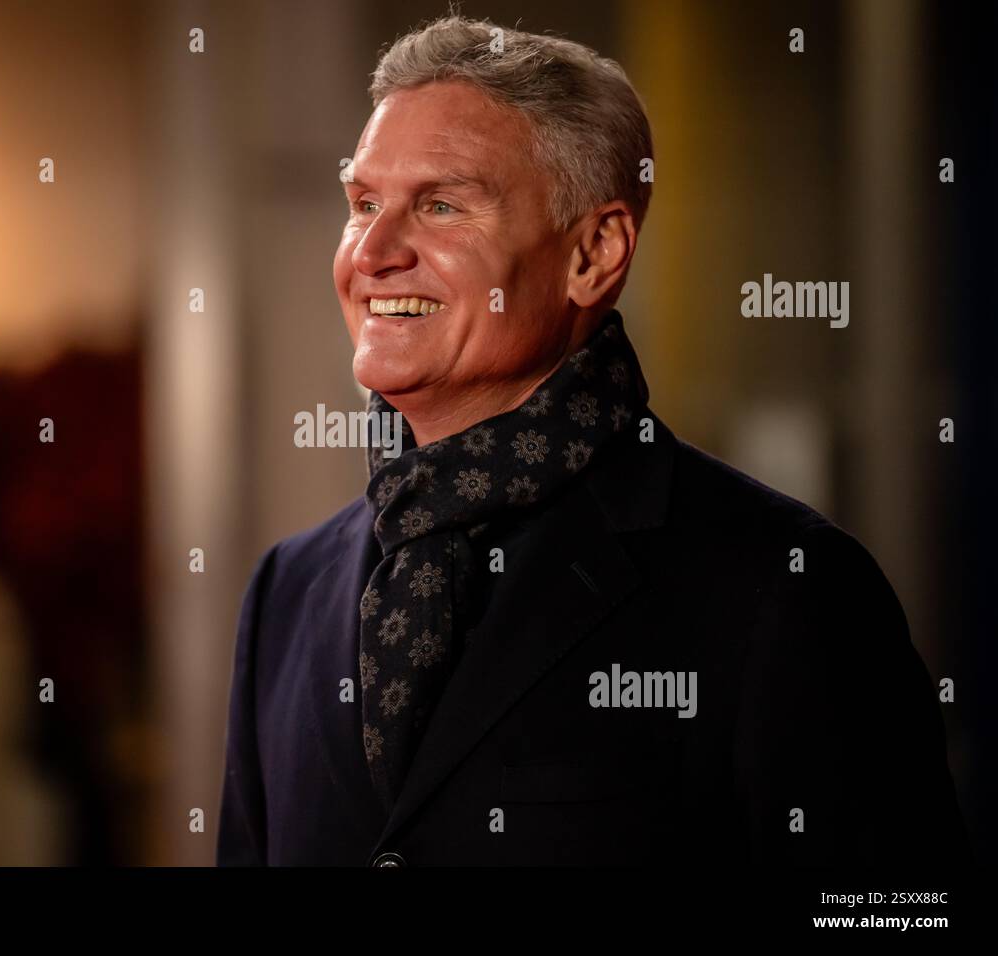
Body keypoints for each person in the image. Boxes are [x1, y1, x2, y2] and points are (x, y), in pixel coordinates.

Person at [217, 15, 967, 866]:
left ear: (595, 253)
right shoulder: (287, 591)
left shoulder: (785, 592)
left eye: (440, 205)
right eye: (363, 204)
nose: (374, 253)